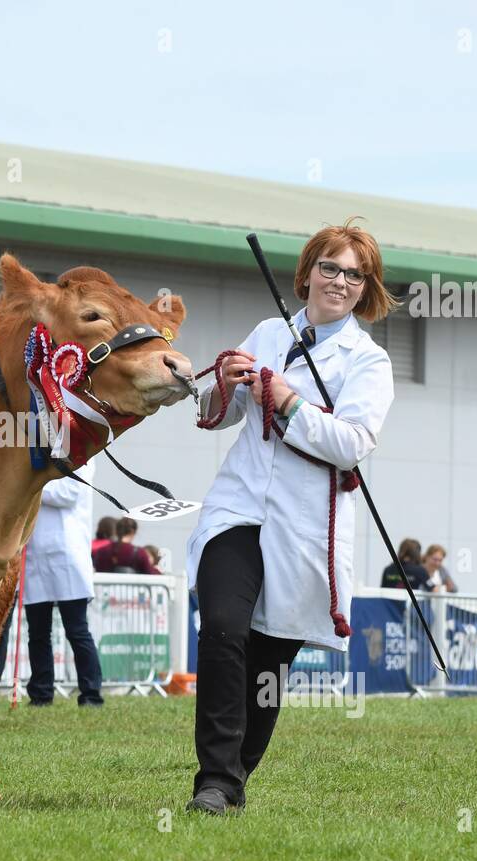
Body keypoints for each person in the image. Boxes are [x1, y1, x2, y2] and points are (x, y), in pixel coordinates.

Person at [185, 218, 397, 815]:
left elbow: (352, 444)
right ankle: (214, 780)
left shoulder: (369, 361)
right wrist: (224, 384)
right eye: (331, 267)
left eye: (355, 275)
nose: (340, 281)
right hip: (239, 508)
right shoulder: (268, 332)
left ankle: (233, 779)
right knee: (222, 626)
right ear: (307, 273)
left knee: (268, 662)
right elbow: (220, 413)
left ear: (365, 288)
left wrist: (289, 401)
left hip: (305, 530)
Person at [23, 458, 104, 707]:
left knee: (77, 630)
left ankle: (91, 693)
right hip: (36, 554)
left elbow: (68, 494)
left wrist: (30, 485)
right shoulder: (37, 457)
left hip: (67, 553)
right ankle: (41, 693)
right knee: (37, 632)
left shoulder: (82, 456)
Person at [93, 516, 161, 574]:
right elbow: (149, 573)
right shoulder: (139, 553)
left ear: (116, 530)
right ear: (133, 532)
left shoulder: (102, 551)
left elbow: (97, 570)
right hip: (131, 586)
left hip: (106, 585)